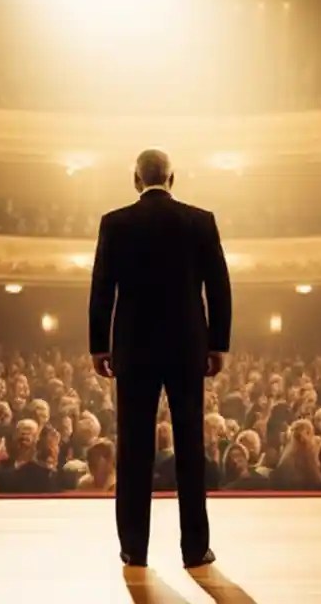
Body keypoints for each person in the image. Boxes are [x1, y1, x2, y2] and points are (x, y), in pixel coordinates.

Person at [88, 148, 232, 569]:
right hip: (188, 346)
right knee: (190, 445)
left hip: (133, 347)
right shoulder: (199, 220)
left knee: (133, 448)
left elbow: (102, 289)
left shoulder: (115, 223)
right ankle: (194, 550)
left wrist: (100, 345)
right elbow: (219, 287)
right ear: (173, 179)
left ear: (136, 180)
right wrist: (217, 343)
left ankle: (134, 548)